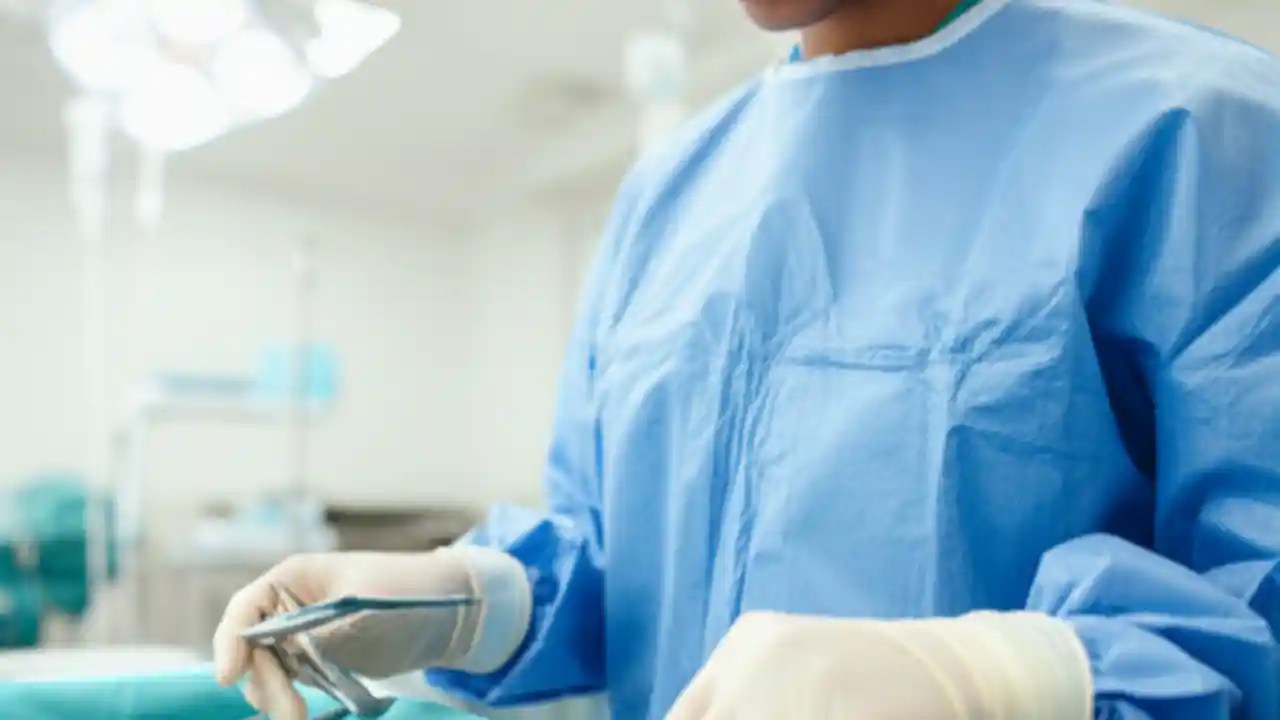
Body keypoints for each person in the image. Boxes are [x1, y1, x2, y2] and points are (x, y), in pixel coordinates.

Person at [214, 0, 1280, 718]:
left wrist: (990, 682)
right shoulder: (666, 198)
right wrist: (458, 596)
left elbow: (1254, 604)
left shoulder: (1201, 131)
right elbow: (612, 563)